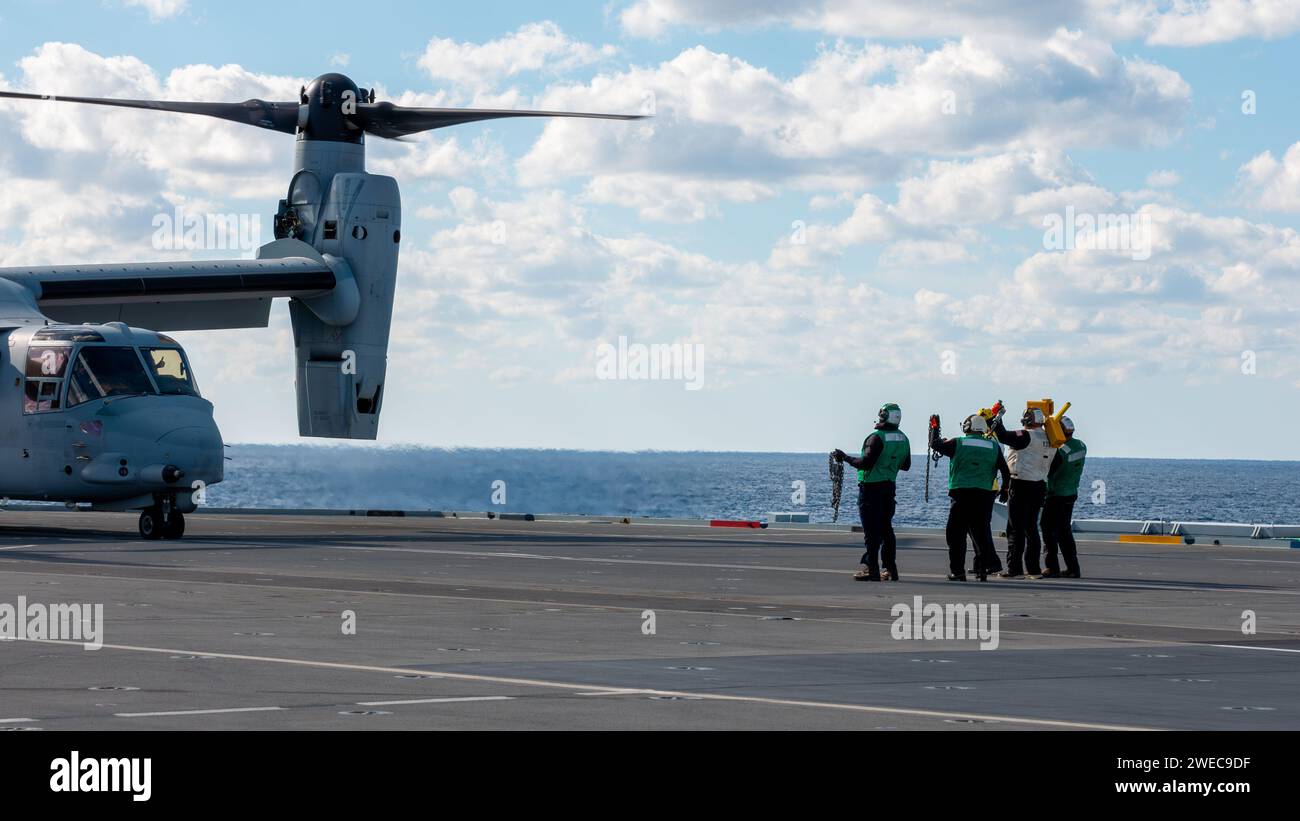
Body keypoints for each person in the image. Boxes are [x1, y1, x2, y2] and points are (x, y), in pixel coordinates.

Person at [834, 403, 911, 582]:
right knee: (886, 529)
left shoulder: (876, 438)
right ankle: (891, 569)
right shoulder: (903, 438)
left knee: (871, 531)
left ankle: (872, 569)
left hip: (871, 488)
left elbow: (865, 464)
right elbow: (906, 465)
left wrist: (844, 457)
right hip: (889, 487)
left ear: (883, 416)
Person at [928, 413, 1010, 581]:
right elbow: (1005, 470)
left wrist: (934, 427)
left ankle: (958, 572)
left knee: (956, 535)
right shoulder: (993, 446)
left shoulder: (958, 443)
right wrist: (1005, 489)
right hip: (985, 496)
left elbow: (934, 444)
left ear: (967, 427)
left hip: (962, 494)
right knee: (980, 534)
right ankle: (981, 571)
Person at [991, 403, 1059, 578]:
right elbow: (1056, 463)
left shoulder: (1025, 436)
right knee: (1031, 528)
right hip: (1039, 486)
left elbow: (1003, 436)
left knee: (1015, 529)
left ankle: (1014, 569)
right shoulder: (1051, 438)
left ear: (1026, 421)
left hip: (1020, 484)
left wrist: (996, 417)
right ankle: (1034, 569)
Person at [1041, 416, 1086, 578]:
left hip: (1056, 495)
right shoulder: (1081, 446)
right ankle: (1073, 568)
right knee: (1064, 531)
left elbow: (1048, 473)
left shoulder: (1060, 452)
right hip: (1071, 493)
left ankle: (1052, 567)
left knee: (1047, 528)